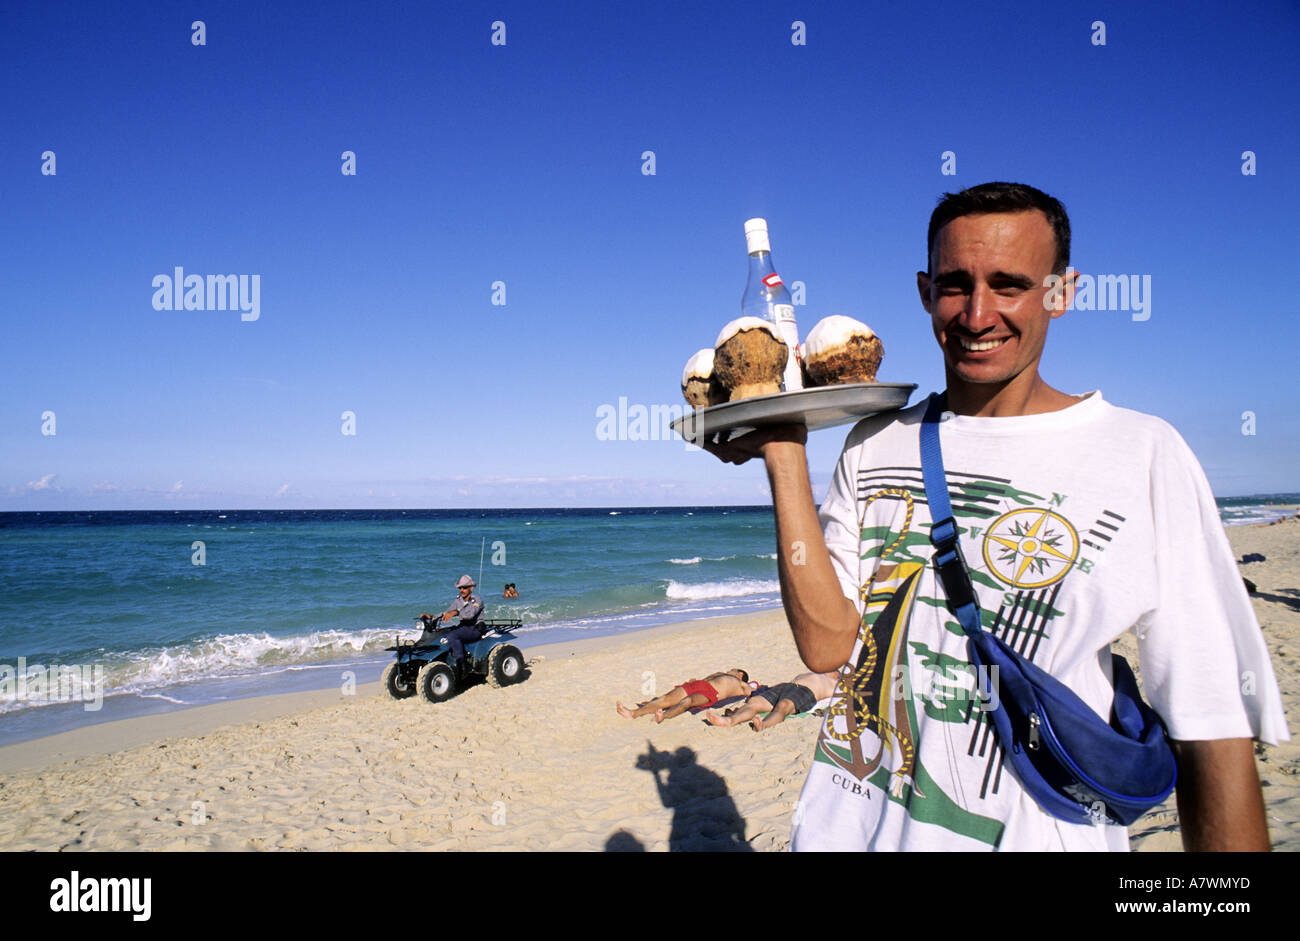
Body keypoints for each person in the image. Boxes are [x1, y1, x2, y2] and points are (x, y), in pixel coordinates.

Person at [704, 182, 1288, 852]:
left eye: (1009, 284)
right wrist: (784, 454)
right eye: (955, 285)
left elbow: (1210, 724)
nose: (978, 314)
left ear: (1061, 292)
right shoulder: (873, 443)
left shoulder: (1142, 454)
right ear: (925, 292)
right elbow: (829, 645)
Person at [705, 671, 838, 731]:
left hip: (806, 692)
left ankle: (764, 725)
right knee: (754, 702)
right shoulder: (813, 673)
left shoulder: (834, 683)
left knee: (783, 706)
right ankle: (730, 720)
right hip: (785, 686)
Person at [615, 669, 752, 723]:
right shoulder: (721, 673)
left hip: (710, 692)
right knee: (666, 699)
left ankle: (664, 716)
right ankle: (633, 713)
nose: (730, 670)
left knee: (688, 701)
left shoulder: (741, 683)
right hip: (699, 684)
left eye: (733, 670)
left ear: (740, 674)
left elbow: (751, 692)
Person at [438, 575, 485, 670]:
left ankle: (462, 664)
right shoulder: (458, 600)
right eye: (460, 588)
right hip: (463, 627)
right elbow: (448, 612)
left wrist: (456, 612)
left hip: (475, 628)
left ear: (471, 588)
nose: (461, 590)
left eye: (464, 587)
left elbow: (470, 615)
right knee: (444, 632)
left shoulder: (477, 600)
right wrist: (432, 617)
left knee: (453, 635)